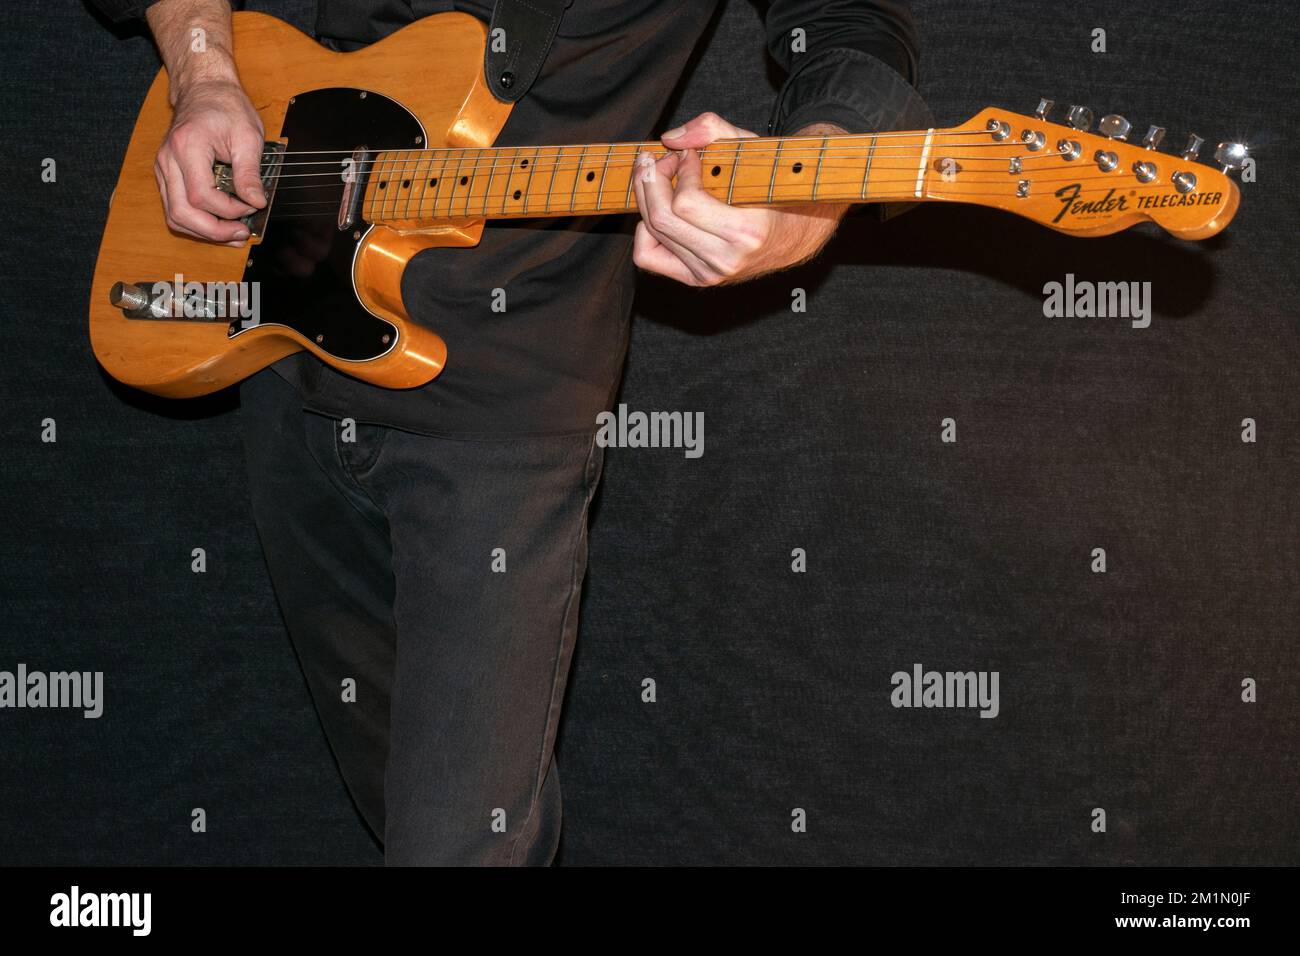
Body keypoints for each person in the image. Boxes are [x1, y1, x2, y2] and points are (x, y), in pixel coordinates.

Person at [89, 0, 929, 865]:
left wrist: (799, 206)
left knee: (456, 846)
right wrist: (204, 73)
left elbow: (855, 25)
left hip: (506, 399)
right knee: (401, 807)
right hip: (271, 339)